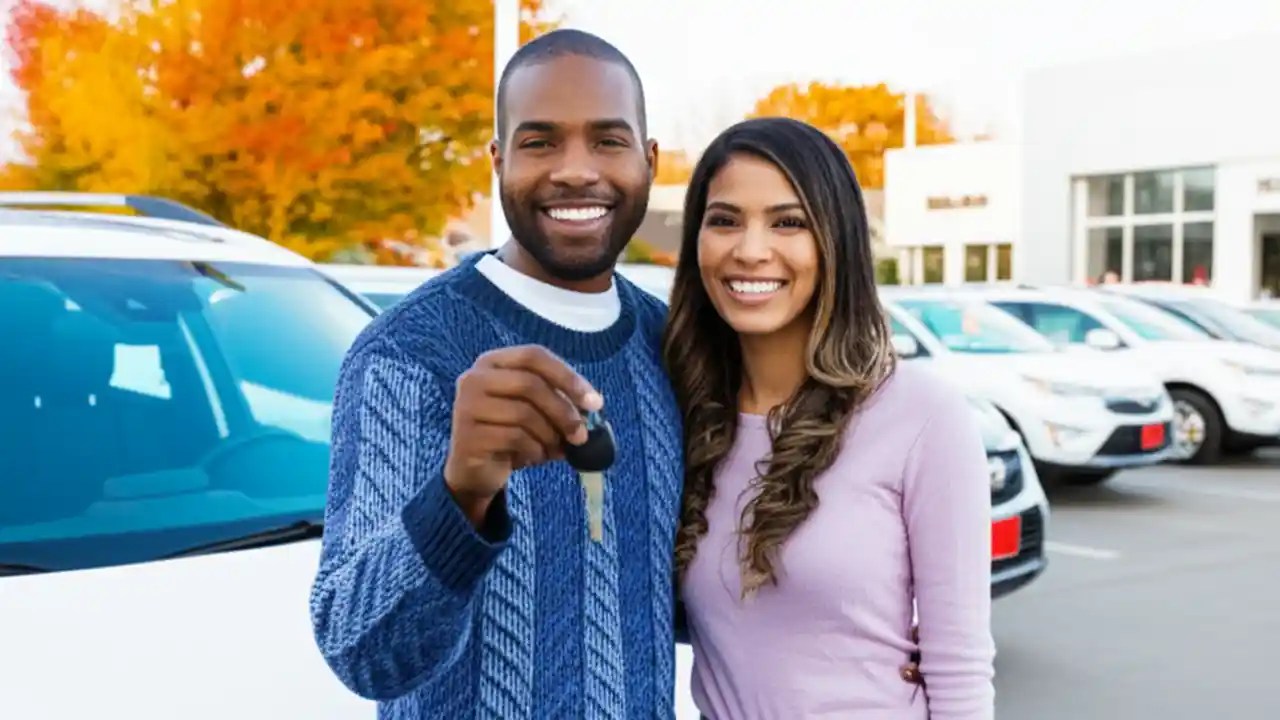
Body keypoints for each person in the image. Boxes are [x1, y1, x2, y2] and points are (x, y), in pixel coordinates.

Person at [308, 29, 685, 718]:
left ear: (650, 160)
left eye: (608, 139)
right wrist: (459, 496)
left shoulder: (672, 345)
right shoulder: (408, 352)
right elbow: (357, 648)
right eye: (541, 142)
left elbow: (686, 596)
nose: (576, 170)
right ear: (499, 159)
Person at [662, 117, 996, 719]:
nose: (751, 249)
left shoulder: (921, 417)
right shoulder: (681, 415)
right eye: (725, 220)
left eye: (788, 222)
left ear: (835, 241)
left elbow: (960, 672)